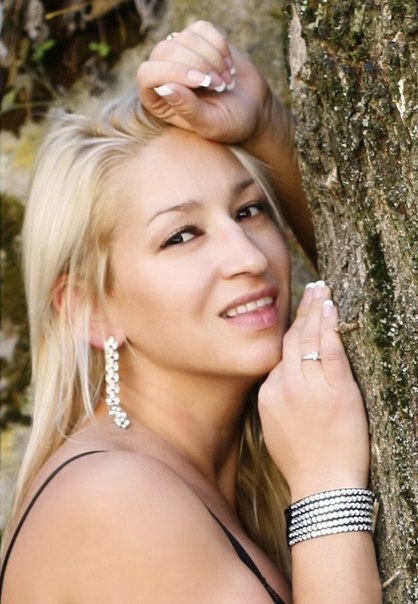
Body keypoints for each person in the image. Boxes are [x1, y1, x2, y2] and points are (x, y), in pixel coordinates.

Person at [0, 21, 382, 603]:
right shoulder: (112, 502)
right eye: (181, 235)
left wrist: (264, 125)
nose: (249, 257)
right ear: (89, 309)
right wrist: (326, 488)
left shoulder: (215, 472)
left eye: (249, 210)